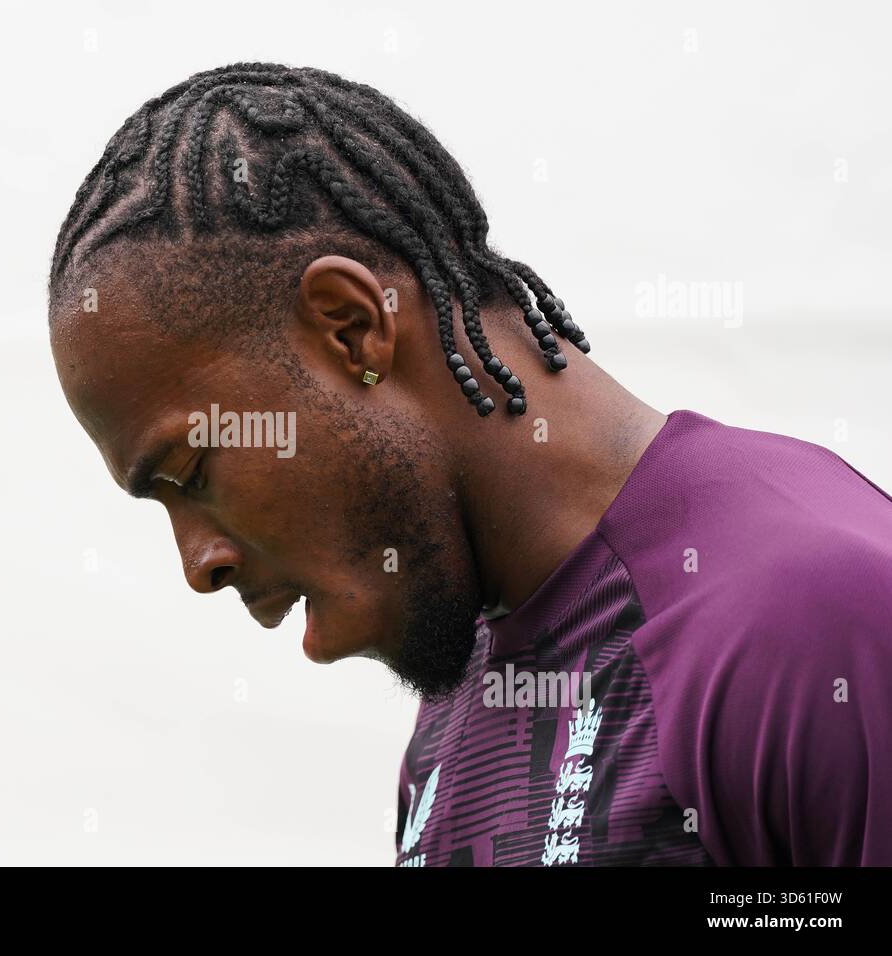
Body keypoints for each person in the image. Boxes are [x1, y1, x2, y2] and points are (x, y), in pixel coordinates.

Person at [46, 63, 892, 866]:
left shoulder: (812, 621)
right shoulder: (459, 700)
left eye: (192, 471)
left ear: (351, 329)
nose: (198, 565)